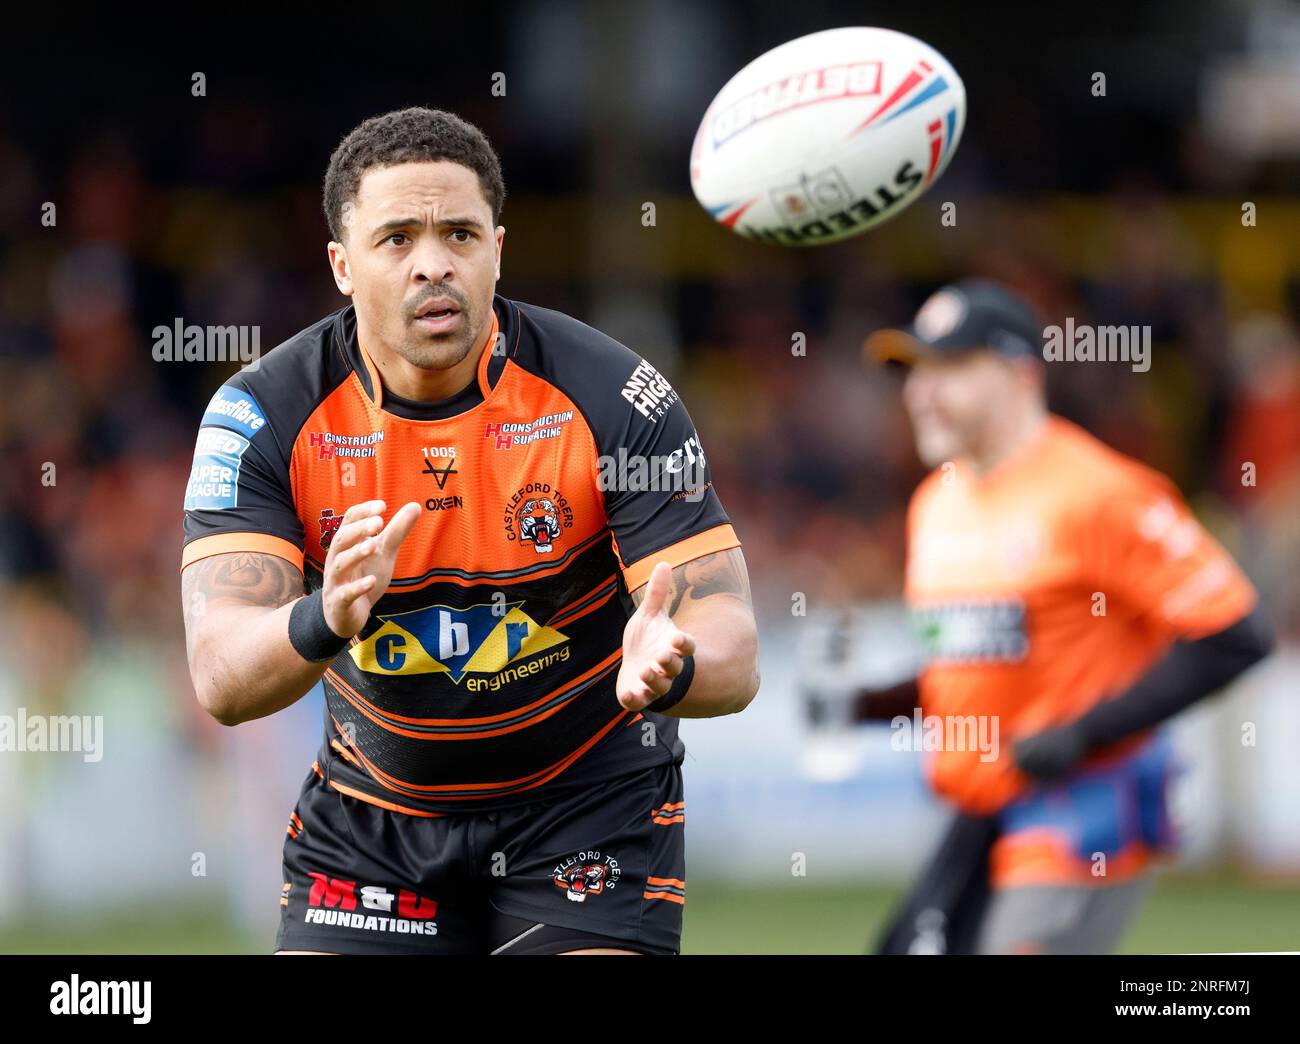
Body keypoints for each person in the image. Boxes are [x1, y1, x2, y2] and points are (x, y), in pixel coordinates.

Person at [178, 107, 760, 955]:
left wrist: (673, 665)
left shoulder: (613, 395)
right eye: (397, 238)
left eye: (459, 233)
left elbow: (735, 649)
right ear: (342, 265)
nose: (432, 265)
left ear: (498, 249)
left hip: (586, 803)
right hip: (374, 824)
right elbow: (223, 680)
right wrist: (324, 618)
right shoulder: (262, 415)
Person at [851, 279, 1272, 954]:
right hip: (981, 809)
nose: (919, 392)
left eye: (949, 368)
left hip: (1082, 808)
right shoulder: (937, 501)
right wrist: (868, 704)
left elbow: (1233, 635)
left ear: (1020, 372)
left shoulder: (1099, 492)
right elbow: (976, 658)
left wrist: (1083, 733)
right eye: (913, 372)